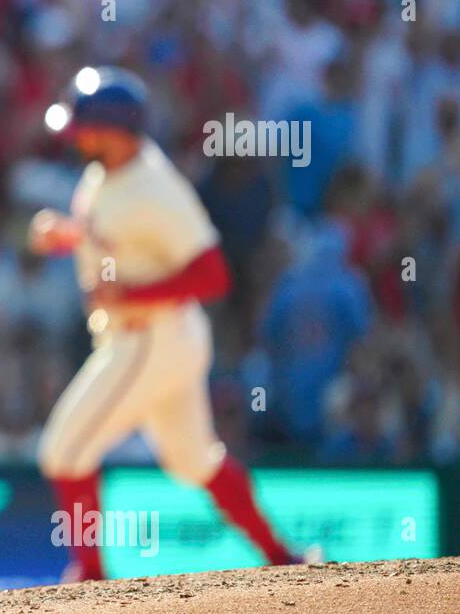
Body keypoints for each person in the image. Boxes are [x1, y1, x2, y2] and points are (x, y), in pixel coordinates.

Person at [29, 67, 296, 581]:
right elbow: (114, 237)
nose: (73, 134)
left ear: (114, 130)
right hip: (161, 338)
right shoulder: (106, 170)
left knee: (63, 451)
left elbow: (213, 274)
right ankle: (281, 558)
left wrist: (132, 294)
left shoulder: (156, 189)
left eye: (83, 125)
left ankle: (90, 577)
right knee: (195, 461)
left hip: (151, 337)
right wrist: (68, 237)